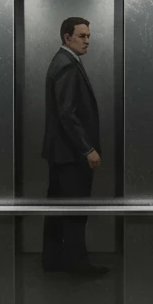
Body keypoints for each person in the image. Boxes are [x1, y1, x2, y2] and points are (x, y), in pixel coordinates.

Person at [41, 17, 105, 274]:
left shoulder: (63, 61)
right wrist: (87, 149)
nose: (87, 40)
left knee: (57, 208)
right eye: (82, 36)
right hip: (70, 154)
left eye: (88, 36)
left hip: (61, 153)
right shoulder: (67, 64)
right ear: (67, 38)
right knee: (75, 209)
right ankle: (78, 264)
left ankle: (52, 260)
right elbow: (67, 113)